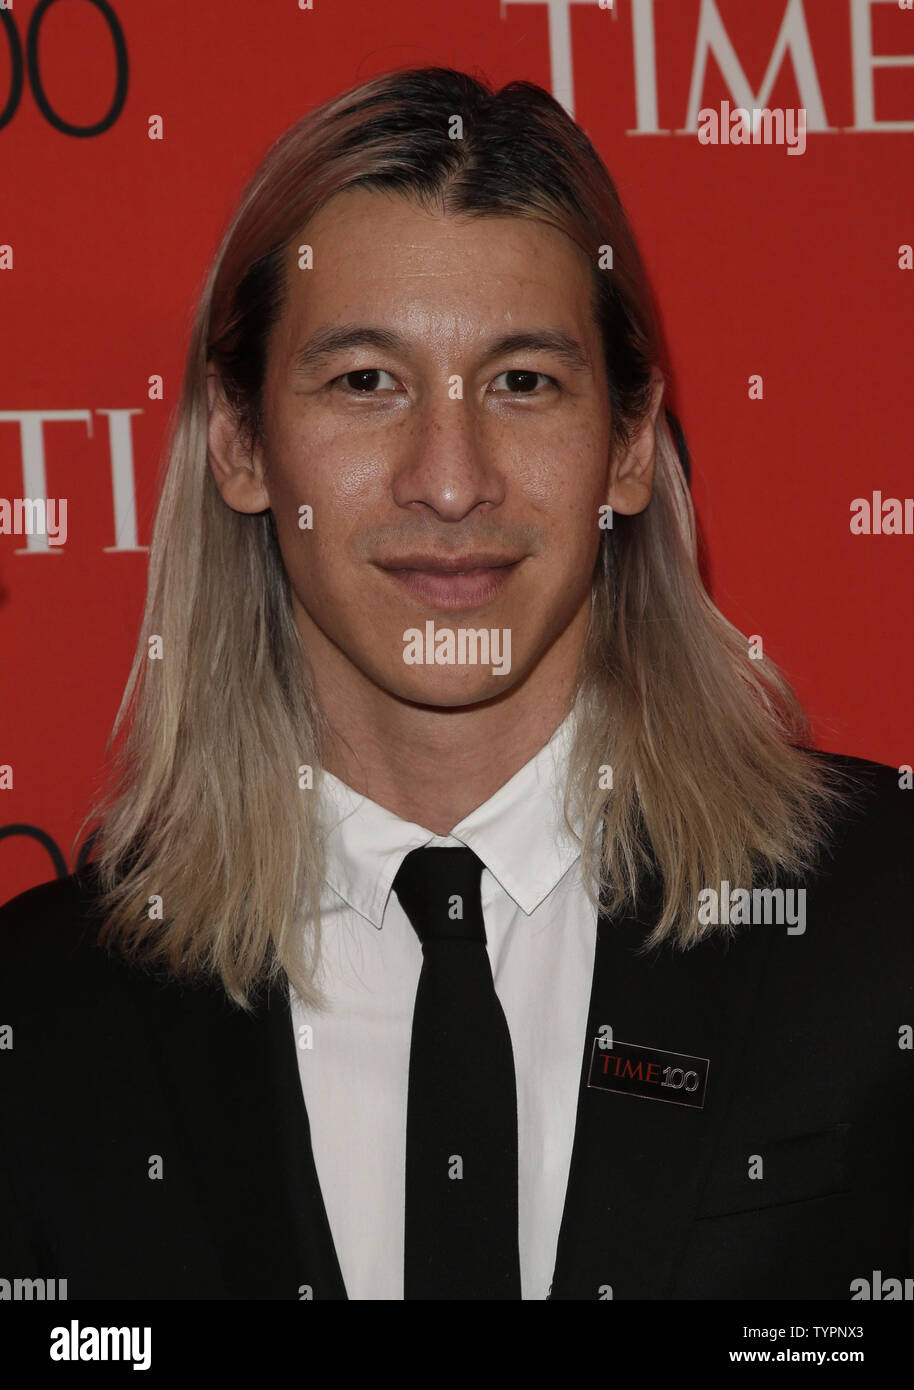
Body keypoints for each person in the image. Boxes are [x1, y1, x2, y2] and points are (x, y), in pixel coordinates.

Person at [0, 65, 910, 1303]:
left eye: (521, 381)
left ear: (629, 442)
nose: (448, 477)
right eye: (365, 381)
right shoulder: (46, 1021)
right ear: (239, 440)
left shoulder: (884, 923)